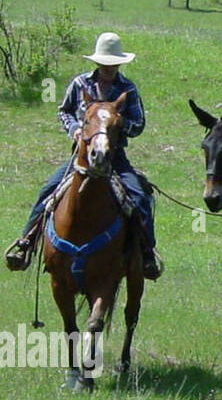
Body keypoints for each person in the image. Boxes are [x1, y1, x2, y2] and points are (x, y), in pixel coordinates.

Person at [5, 32, 162, 278]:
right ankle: (26, 243)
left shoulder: (128, 89)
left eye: (113, 64)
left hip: (116, 158)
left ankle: (147, 253)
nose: (109, 68)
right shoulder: (80, 84)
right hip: (81, 157)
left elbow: (139, 123)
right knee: (49, 191)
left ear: (120, 63)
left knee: (140, 198)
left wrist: (120, 124)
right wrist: (76, 130)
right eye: (105, 63)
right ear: (97, 62)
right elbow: (64, 111)